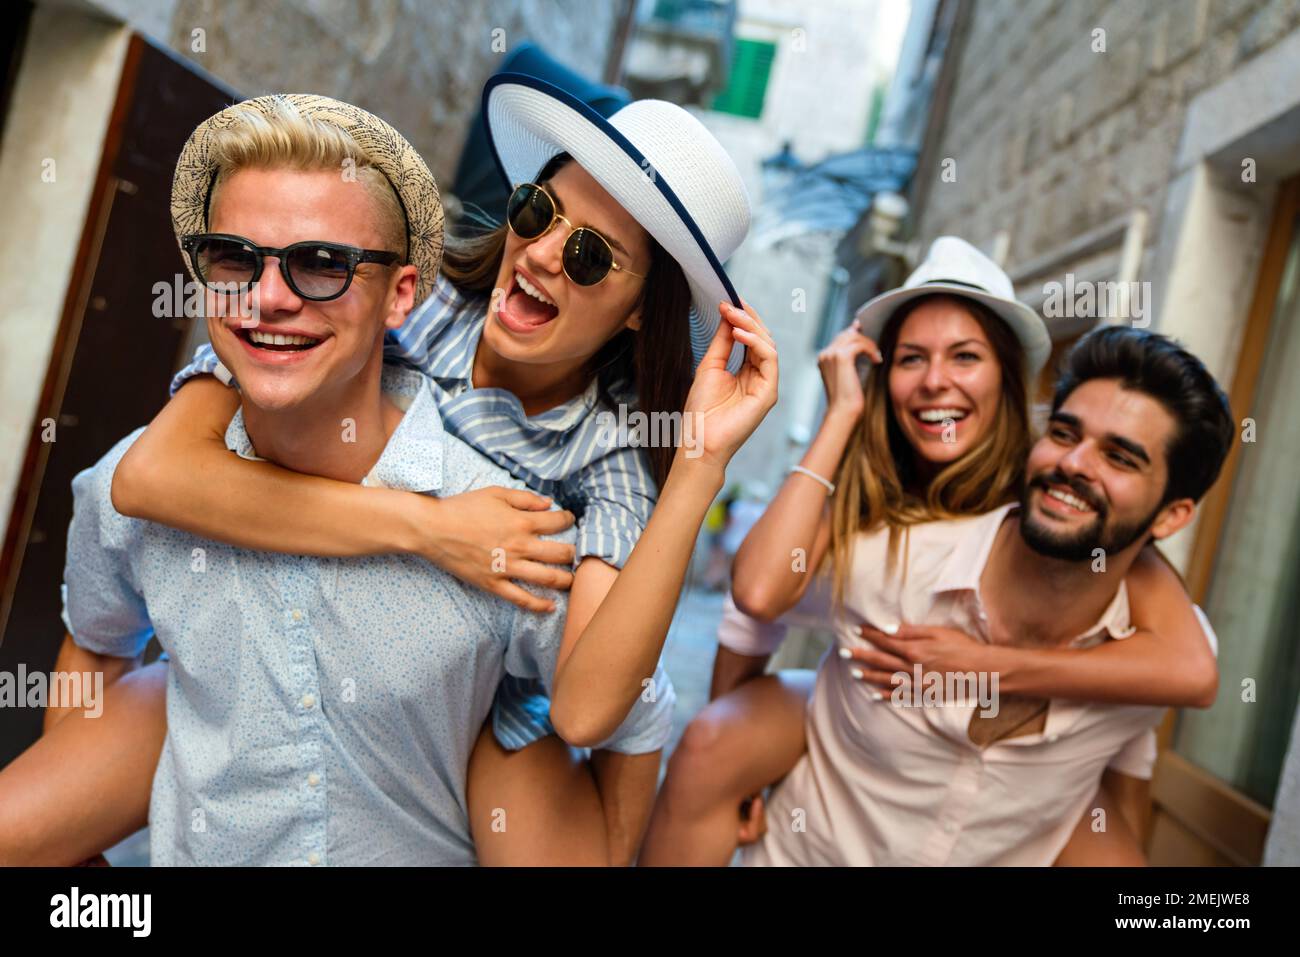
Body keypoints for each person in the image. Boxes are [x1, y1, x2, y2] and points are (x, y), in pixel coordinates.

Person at [0, 90, 778, 865]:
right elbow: (150, 478)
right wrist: (434, 530)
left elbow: (591, 706)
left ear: (643, 307)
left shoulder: (611, 452)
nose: (542, 252)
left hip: (493, 707)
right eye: (540, 212)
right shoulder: (411, 301)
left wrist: (699, 465)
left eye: (590, 255)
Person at [641, 238, 1219, 866]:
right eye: (911, 359)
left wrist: (982, 664)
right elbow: (753, 605)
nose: (935, 381)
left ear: (1006, 377)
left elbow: (1178, 661)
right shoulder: (868, 511)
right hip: (851, 737)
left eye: (965, 356)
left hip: (1006, 794)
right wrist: (840, 415)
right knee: (720, 742)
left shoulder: (1069, 508)